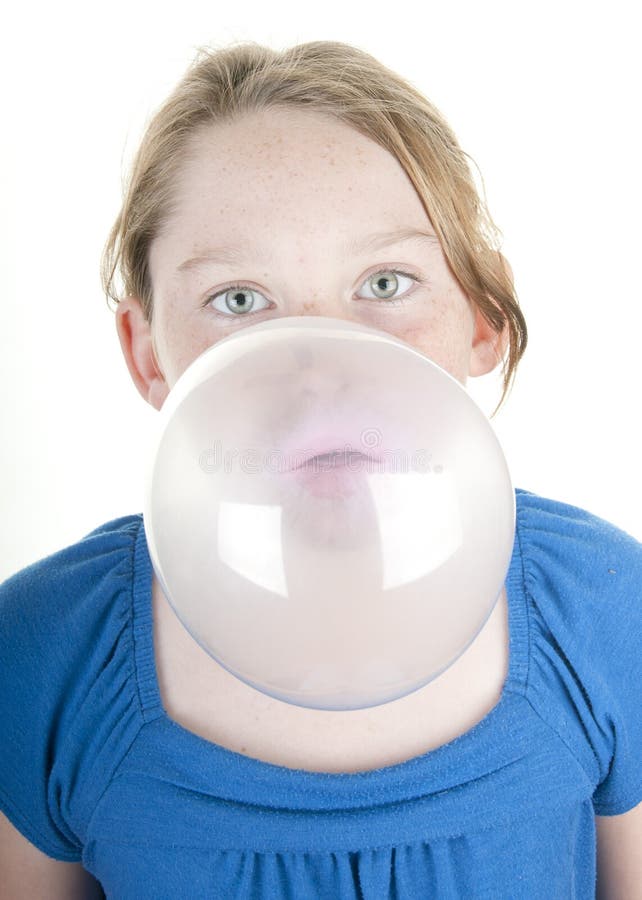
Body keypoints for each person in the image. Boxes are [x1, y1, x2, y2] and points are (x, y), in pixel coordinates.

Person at [1, 40, 640, 900]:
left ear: (482, 317)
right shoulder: (40, 655)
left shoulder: (606, 609)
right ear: (148, 354)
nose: (319, 363)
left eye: (385, 281)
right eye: (238, 299)